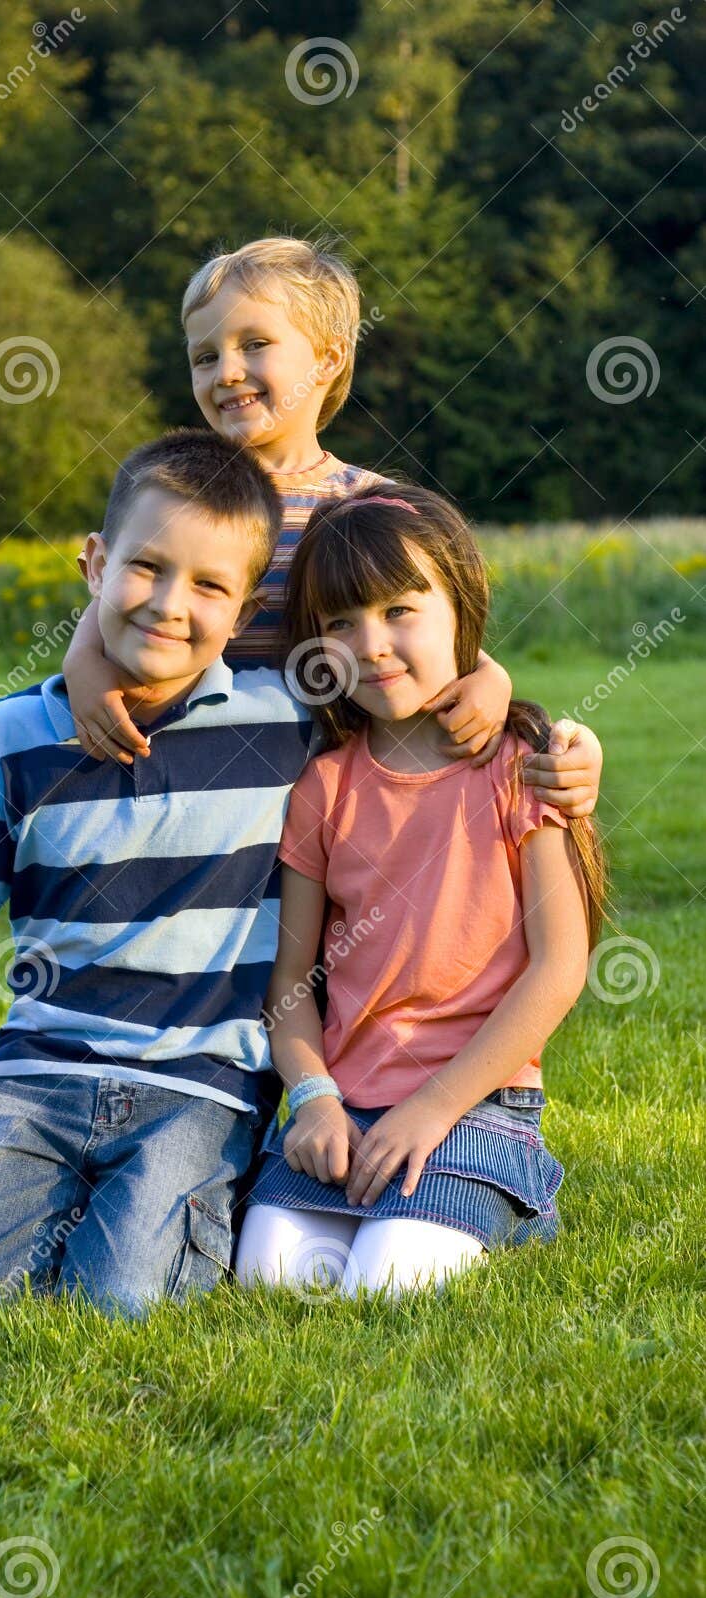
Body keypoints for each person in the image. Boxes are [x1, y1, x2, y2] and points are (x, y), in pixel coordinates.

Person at [0, 430, 318, 1320]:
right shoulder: (7, 740)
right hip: (35, 1077)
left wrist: (497, 693)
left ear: (244, 608)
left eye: (209, 585)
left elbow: (418, 696)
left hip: (202, 1087)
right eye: (145, 567)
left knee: (124, 1304)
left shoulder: (287, 726)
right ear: (95, 565)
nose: (170, 605)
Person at [62, 236, 603, 818]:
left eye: (254, 344)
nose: (227, 372)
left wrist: (489, 678)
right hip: (205, 774)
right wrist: (83, 663)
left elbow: (424, 626)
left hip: (333, 784)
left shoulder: (368, 506)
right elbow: (127, 585)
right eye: (205, 357)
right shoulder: (180, 497)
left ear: (327, 359)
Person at [236, 484, 607, 1299]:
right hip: (347, 1105)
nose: (371, 645)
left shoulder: (520, 766)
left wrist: (432, 1108)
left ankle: (509, 1200)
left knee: (388, 1280)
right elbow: (289, 986)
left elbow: (558, 967)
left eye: (399, 610)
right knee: (269, 1276)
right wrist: (313, 1101)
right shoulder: (323, 788)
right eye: (340, 623)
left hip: (476, 1100)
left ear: (460, 607)